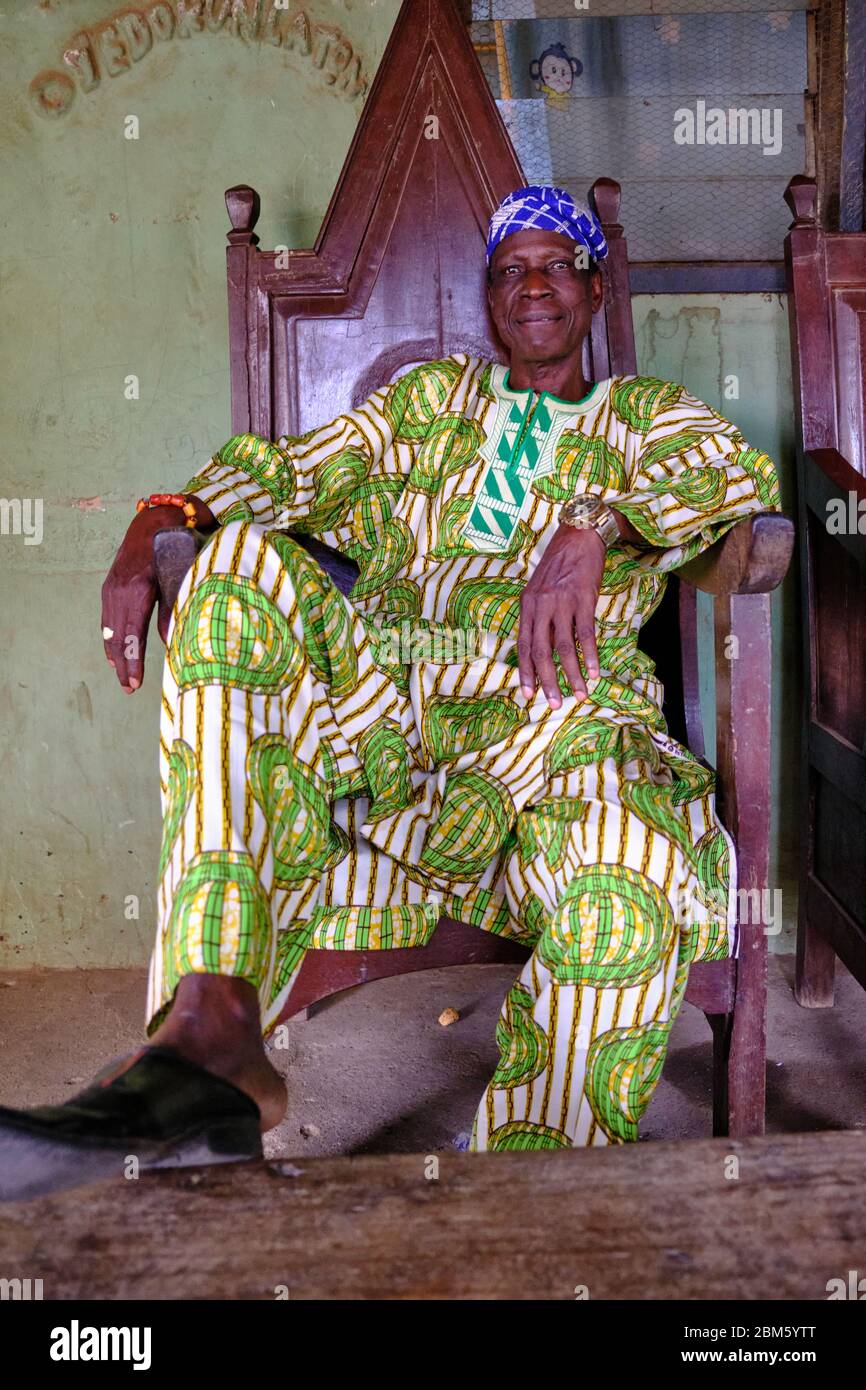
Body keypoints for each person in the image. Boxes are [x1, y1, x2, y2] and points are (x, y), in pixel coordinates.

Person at [0, 186, 781, 1199]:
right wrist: (160, 515)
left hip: (569, 738)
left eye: (553, 263)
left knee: (628, 870)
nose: (530, 283)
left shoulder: (645, 417)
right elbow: (287, 475)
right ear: (491, 302)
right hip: (393, 732)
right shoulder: (429, 407)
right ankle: (207, 1043)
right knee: (234, 568)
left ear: (591, 288)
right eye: (508, 270)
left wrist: (600, 526)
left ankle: (516, 1196)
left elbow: (732, 486)